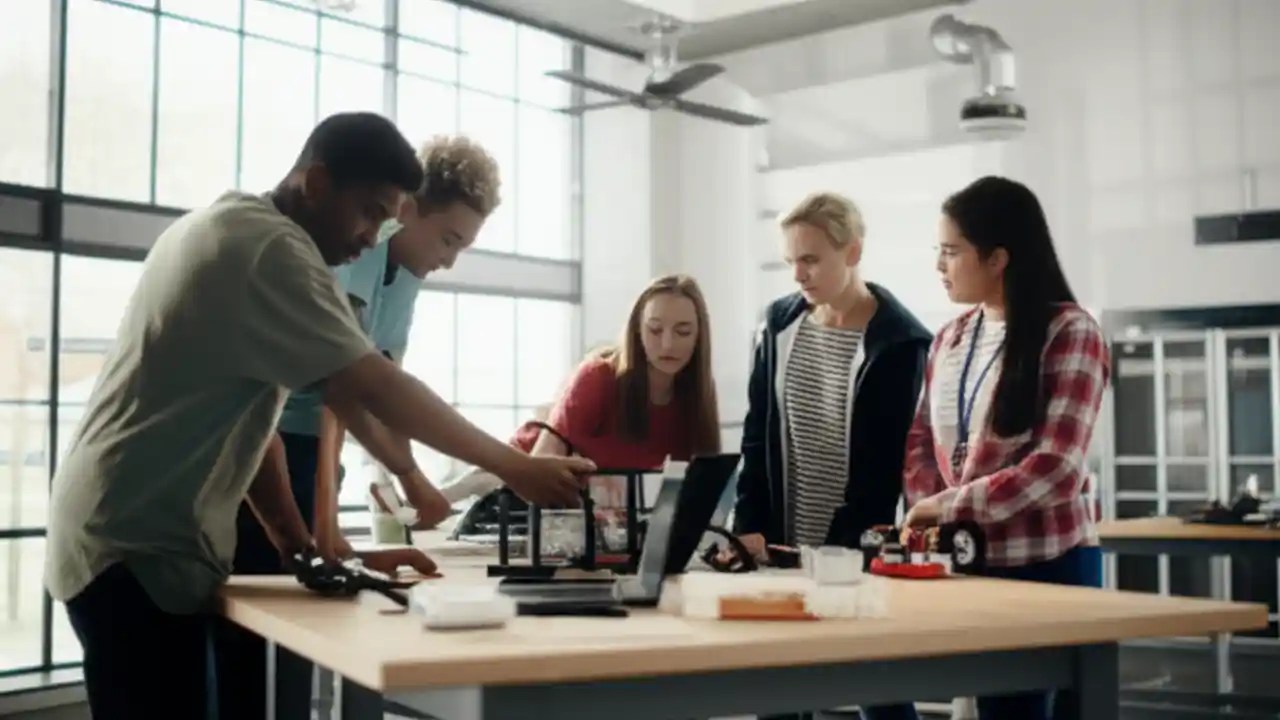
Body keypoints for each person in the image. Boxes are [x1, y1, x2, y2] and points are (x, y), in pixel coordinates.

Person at [43, 112, 594, 719]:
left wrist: (301, 546)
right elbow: (375, 387)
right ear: (316, 183)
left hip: (131, 539)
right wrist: (513, 467)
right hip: (132, 548)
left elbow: (254, 432)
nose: (372, 234)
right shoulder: (269, 250)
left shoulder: (234, 225)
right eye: (368, 211)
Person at [220, 134, 501, 720]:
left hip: (313, 455)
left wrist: (407, 478)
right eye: (448, 239)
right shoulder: (363, 252)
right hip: (272, 448)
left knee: (298, 641)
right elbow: (340, 393)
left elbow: (386, 392)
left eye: (463, 247)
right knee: (264, 654)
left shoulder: (409, 276)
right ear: (409, 211)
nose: (450, 258)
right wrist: (328, 533)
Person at [902, 175, 1110, 720]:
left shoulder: (1069, 330)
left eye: (952, 252)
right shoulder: (951, 336)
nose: (939, 265)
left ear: (998, 259)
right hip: (971, 565)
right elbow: (922, 440)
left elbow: (1057, 467)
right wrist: (930, 504)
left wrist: (948, 506)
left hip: (1049, 566)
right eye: (938, 251)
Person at [730, 192, 930, 720]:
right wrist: (749, 523)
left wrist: (839, 553)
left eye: (812, 258)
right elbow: (757, 437)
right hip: (778, 541)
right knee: (777, 694)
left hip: (852, 550)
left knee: (876, 687)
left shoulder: (899, 343)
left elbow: (883, 471)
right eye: (791, 259)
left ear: (854, 251)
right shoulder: (777, 325)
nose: (798, 273)